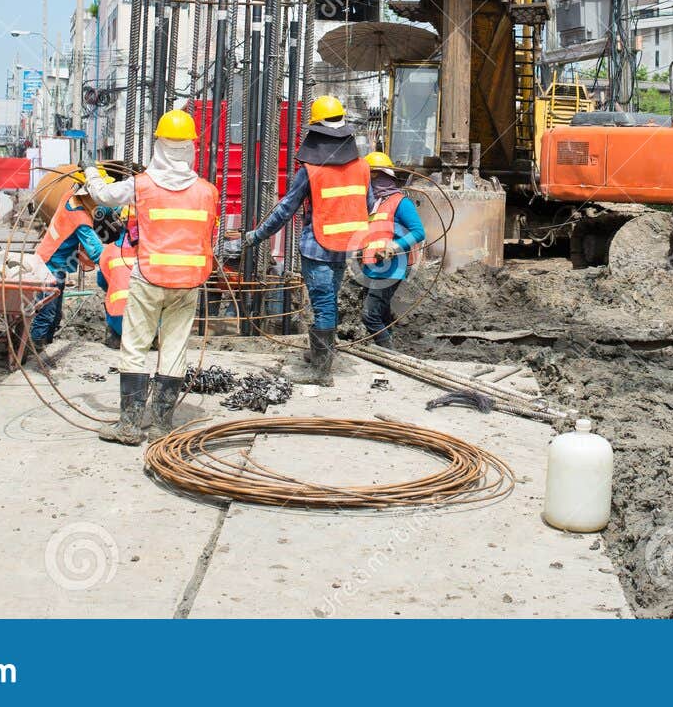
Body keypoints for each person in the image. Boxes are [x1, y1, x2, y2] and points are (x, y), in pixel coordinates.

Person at [84, 108, 220, 445]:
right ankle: (161, 423)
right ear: (191, 147)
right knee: (174, 349)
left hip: (150, 277)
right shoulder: (207, 191)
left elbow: (103, 196)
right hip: (189, 282)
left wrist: (91, 173)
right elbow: (209, 235)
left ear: (158, 145)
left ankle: (129, 425)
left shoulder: (141, 184)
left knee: (135, 346)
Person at [234, 95, 368, 385]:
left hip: (317, 248)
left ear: (316, 132)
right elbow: (367, 204)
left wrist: (256, 236)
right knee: (328, 300)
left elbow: (285, 209)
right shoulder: (362, 166)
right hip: (344, 246)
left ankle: (321, 372)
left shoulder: (311, 171)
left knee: (323, 305)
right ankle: (319, 354)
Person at [355, 152, 427, 350]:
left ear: (378, 175)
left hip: (391, 268)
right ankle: (388, 346)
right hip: (372, 268)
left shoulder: (400, 202)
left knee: (370, 315)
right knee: (382, 312)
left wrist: (394, 247)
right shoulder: (374, 203)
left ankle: (388, 352)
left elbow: (418, 232)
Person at [31, 182, 103, 347]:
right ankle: (35, 348)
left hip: (50, 262)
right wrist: (114, 260)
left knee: (54, 315)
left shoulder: (68, 198)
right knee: (46, 314)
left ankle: (45, 344)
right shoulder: (81, 219)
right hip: (50, 267)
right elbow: (96, 252)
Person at [96, 209, 137, 348]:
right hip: (146, 321)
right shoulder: (148, 250)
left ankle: (116, 337)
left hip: (118, 317)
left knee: (110, 295)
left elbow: (101, 282)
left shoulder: (108, 251)